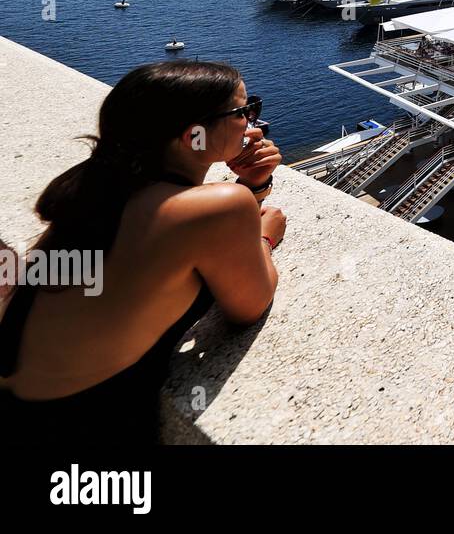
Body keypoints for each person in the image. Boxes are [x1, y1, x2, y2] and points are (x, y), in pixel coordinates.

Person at [0, 61, 284, 444]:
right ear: (193, 136)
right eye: (243, 112)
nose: (254, 124)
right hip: (79, 427)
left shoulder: (104, 184)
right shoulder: (220, 205)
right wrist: (262, 236)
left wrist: (252, 188)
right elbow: (249, 306)